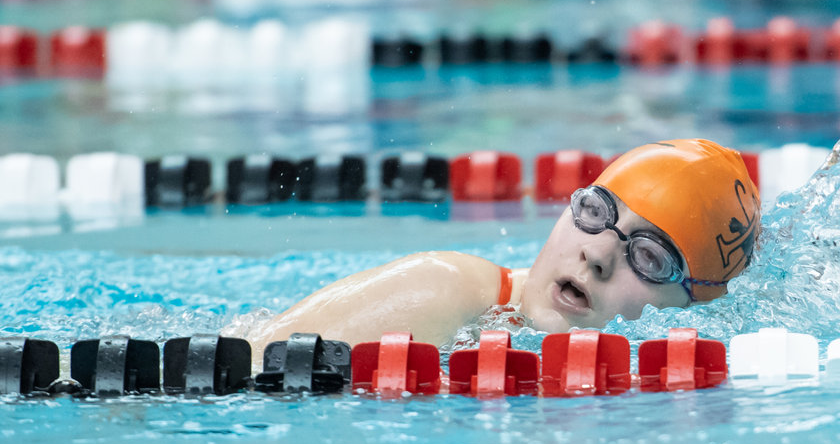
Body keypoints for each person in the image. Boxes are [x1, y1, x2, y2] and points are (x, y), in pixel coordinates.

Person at [246, 139, 760, 357]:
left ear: (696, 307)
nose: (598, 255)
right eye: (596, 213)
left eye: (649, 256)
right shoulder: (443, 293)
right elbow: (242, 370)